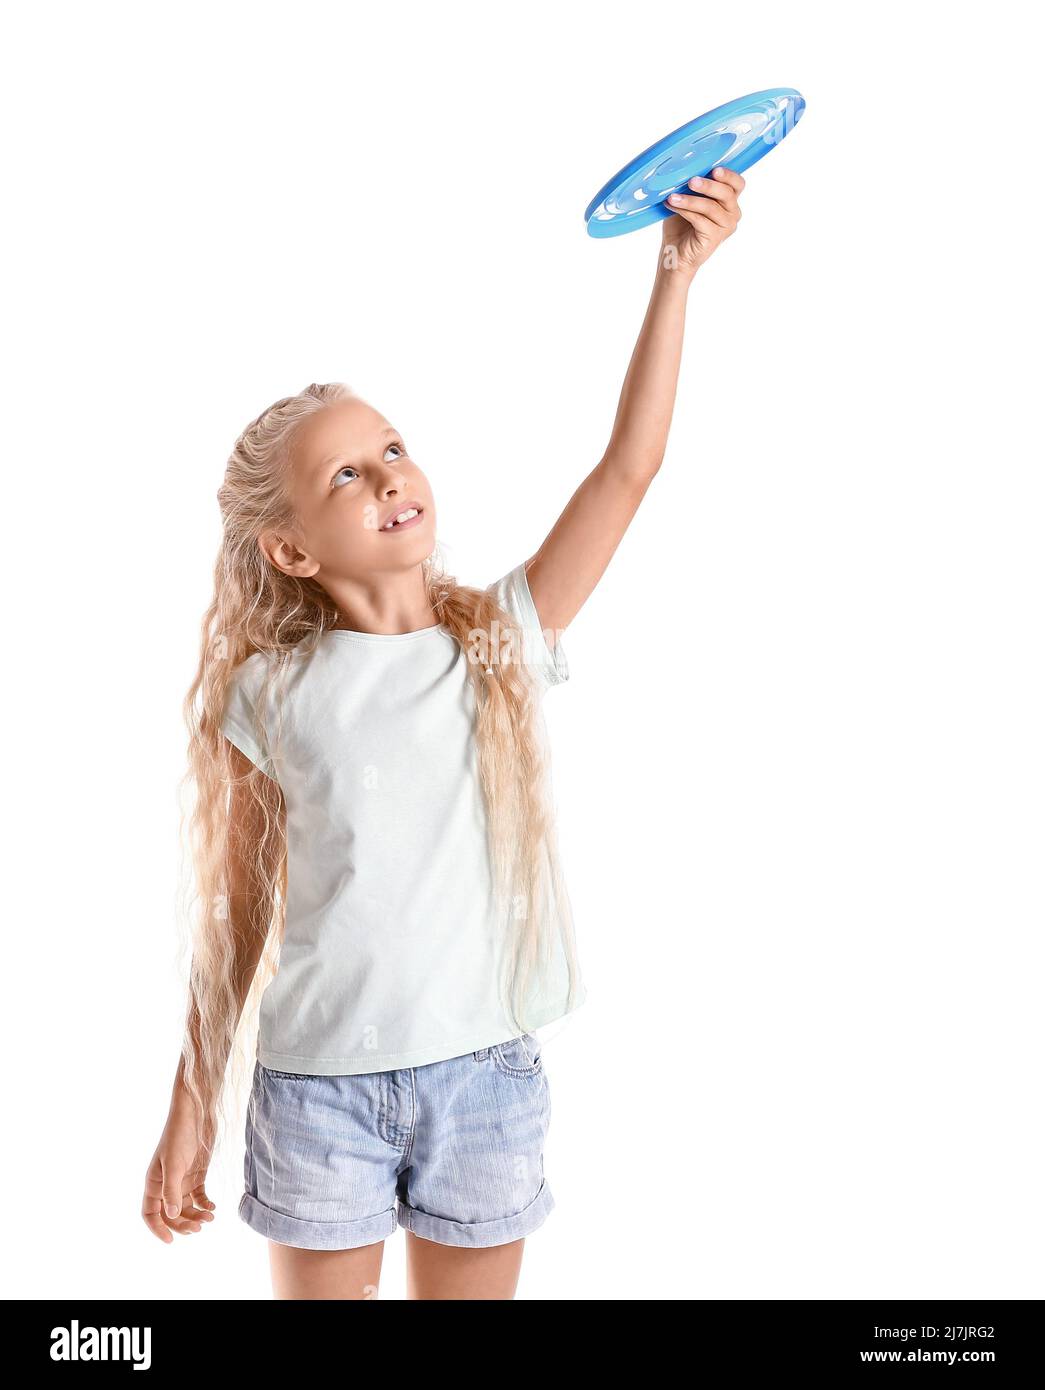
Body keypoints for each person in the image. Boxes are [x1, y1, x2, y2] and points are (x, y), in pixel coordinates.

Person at [142, 167, 747, 1299]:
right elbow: (232, 920)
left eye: (392, 446)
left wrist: (674, 275)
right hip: (316, 1091)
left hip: (483, 1082)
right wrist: (190, 1104)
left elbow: (628, 469)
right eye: (347, 474)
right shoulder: (266, 696)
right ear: (292, 550)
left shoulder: (500, 644)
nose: (389, 475)